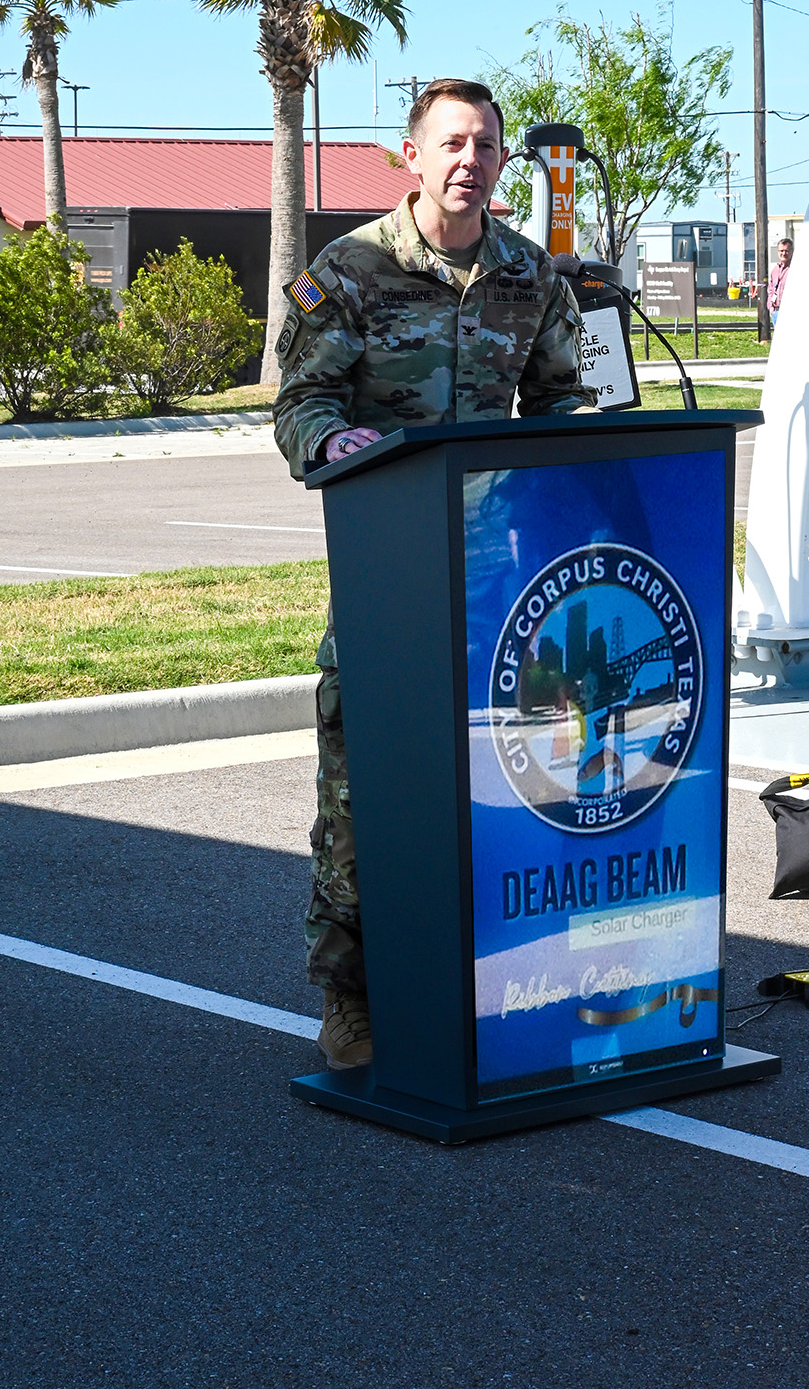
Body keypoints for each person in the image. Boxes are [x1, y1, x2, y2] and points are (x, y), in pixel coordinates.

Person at [272, 78, 597, 1070]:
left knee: (498, 793)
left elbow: (559, 401)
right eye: (451, 142)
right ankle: (351, 996)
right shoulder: (352, 270)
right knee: (363, 791)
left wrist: (601, 458)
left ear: (504, 162)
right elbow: (300, 407)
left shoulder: (529, 274)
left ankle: (489, 976)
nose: (471, 159)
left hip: (498, 586)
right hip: (387, 575)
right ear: (411, 156)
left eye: (487, 145)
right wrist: (337, 441)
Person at [767, 235, 793, 326]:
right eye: (781, 251)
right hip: (776, 311)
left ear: (792, 251)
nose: (784, 253)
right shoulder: (775, 270)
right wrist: (771, 308)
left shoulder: (795, 269)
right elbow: (770, 290)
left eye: (786, 251)